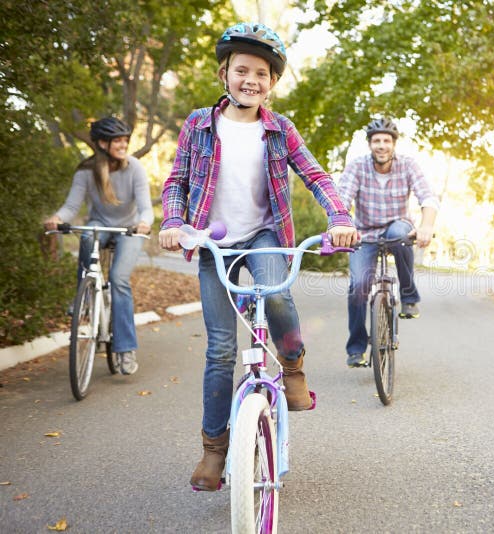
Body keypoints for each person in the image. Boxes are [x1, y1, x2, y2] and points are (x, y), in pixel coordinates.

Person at [158, 22, 357, 492]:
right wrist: (172, 223)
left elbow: (316, 176)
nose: (251, 79)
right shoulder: (198, 124)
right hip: (213, 242)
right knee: (221, 350)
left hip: (265, 235)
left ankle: (291, 366)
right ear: (224, 74)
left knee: (279, 298)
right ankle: (214, 450)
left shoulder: (279, 129)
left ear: (272, 82)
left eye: (262, 73)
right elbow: (175, 183)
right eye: (242, 69)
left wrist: (339, 218)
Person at [44, 116, 153, 375]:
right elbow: (72, 206)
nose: (124, 144)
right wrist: (57, 219)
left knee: (119, 279)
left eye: (125, 140)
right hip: (99, 224)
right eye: (118, 140)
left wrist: (144, 223)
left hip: (128, 229)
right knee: (85, 236)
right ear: (102, 143)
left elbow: (146, 207)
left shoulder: (135, 168)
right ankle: (83, 296)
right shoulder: (85, 172)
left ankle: (125, 349)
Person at [336, 117, 439, 368]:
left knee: (399, 236)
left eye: (386, 140)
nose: (381, 145)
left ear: (393, 144)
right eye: (376, 141)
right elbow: (342, 199)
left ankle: (408, 295)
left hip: (398, 225)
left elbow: (428, 197)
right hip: (364, 234)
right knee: (359, 285)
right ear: (370, 144)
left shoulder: (408, 165)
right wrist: (340, 225)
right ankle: (357, 348)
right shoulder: (358, 166)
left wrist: (426, 226)